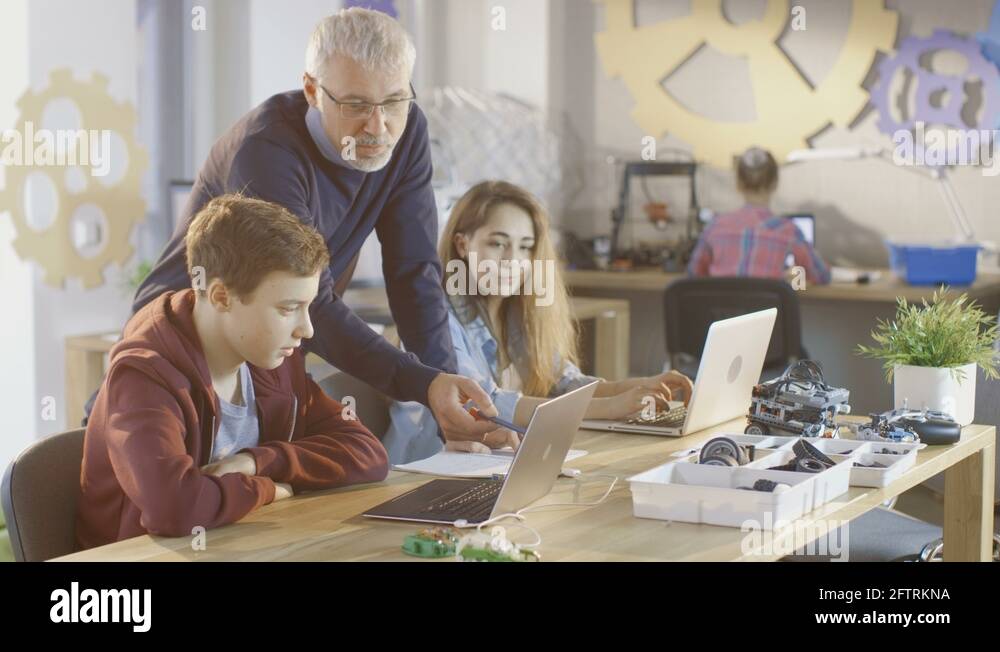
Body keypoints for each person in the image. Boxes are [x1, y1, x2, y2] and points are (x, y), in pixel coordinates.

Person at [124, 7, 498, 449]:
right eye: (356, 105)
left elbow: (414, 272)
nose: (379, 127)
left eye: (394, 101)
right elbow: (311, 300)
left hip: (266, 341)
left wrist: (445, 399)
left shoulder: (409, 132)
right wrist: (423, 384)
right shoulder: (266, 151)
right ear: (312, 90)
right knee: (185, 496)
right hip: (187, 345)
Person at [76, 195, 389, 550]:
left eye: (308, 307)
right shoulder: (144, 374)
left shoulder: (271, 355)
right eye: (288, 309)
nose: (307, 330)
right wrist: (272, 488)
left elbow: (366, 453)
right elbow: (174, 509)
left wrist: (257, 462)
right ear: (222, 296)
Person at [382, 181, 693, 464]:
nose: (512, 260)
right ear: (463, 246)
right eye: (497, 243)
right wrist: (612, 407)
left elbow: (565, 384)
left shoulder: (515, 314)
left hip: (481, 463)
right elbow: (484, 404)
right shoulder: (433, 316)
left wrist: (637, 387)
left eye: (525, 247)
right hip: (420, 471)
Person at [687, 147, 830, 285]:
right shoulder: (788, 231)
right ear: (775, 183)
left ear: (738, 183)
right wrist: (785, 277)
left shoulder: (715, 226)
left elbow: (693, 273)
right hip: (768, 309)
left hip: (722, 309)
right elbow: (821, 276)